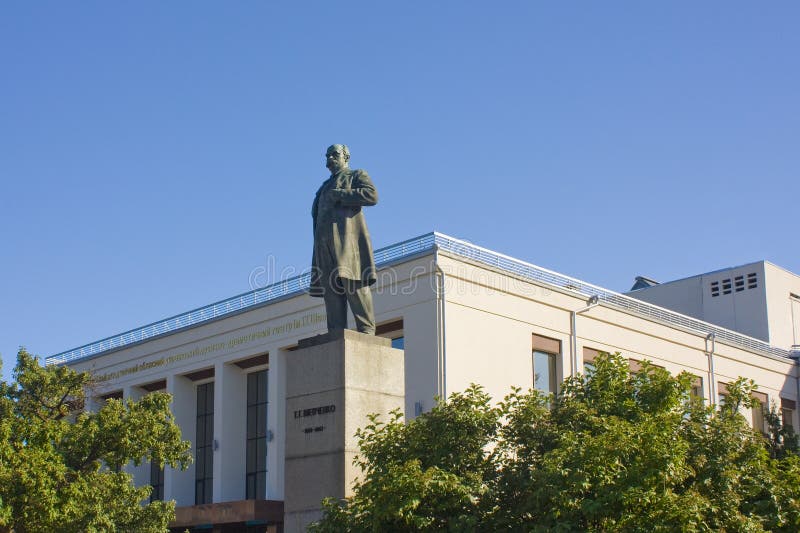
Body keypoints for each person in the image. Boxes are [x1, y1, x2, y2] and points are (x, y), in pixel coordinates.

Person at [310, 144, 378, 334]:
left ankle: (366, 330)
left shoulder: (356, 175)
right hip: (323, 246)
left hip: (347, 244)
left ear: (346, 157)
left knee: (353, 283)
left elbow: (371, 195)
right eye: (327, 156)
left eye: (335, 155)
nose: (330, 159)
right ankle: (335, 332)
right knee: (331, 291)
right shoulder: (323, 188)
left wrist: (340, 194)